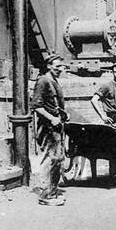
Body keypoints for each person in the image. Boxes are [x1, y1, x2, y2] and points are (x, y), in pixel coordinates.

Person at [31, 54, 68, 206]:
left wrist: (63, 114)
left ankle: (52, 191)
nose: (60, 69)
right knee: (52, 158)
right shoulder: (43, 81)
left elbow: (54, 104)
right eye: (57, 66)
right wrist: (52, 118)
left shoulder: (53, 81)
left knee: (58, 158)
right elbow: (36, 106)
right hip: (47, 127)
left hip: (56, 126)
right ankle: (46, 195)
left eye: (61, 66)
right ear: (48, 66)